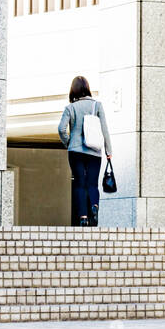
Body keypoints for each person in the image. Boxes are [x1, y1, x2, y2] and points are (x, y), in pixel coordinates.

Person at [57, 76, 111, 227]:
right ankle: (94, 205)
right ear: (87, 88)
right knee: (92, 184)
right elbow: (105, 129)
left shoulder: (70, 108)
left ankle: (83, 217)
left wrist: (68, 142)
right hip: (94, 150)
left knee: (80, 184)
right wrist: (108, 150)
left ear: (73, 90)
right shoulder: (97, 106)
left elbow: (61, 129)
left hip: (76, 151)